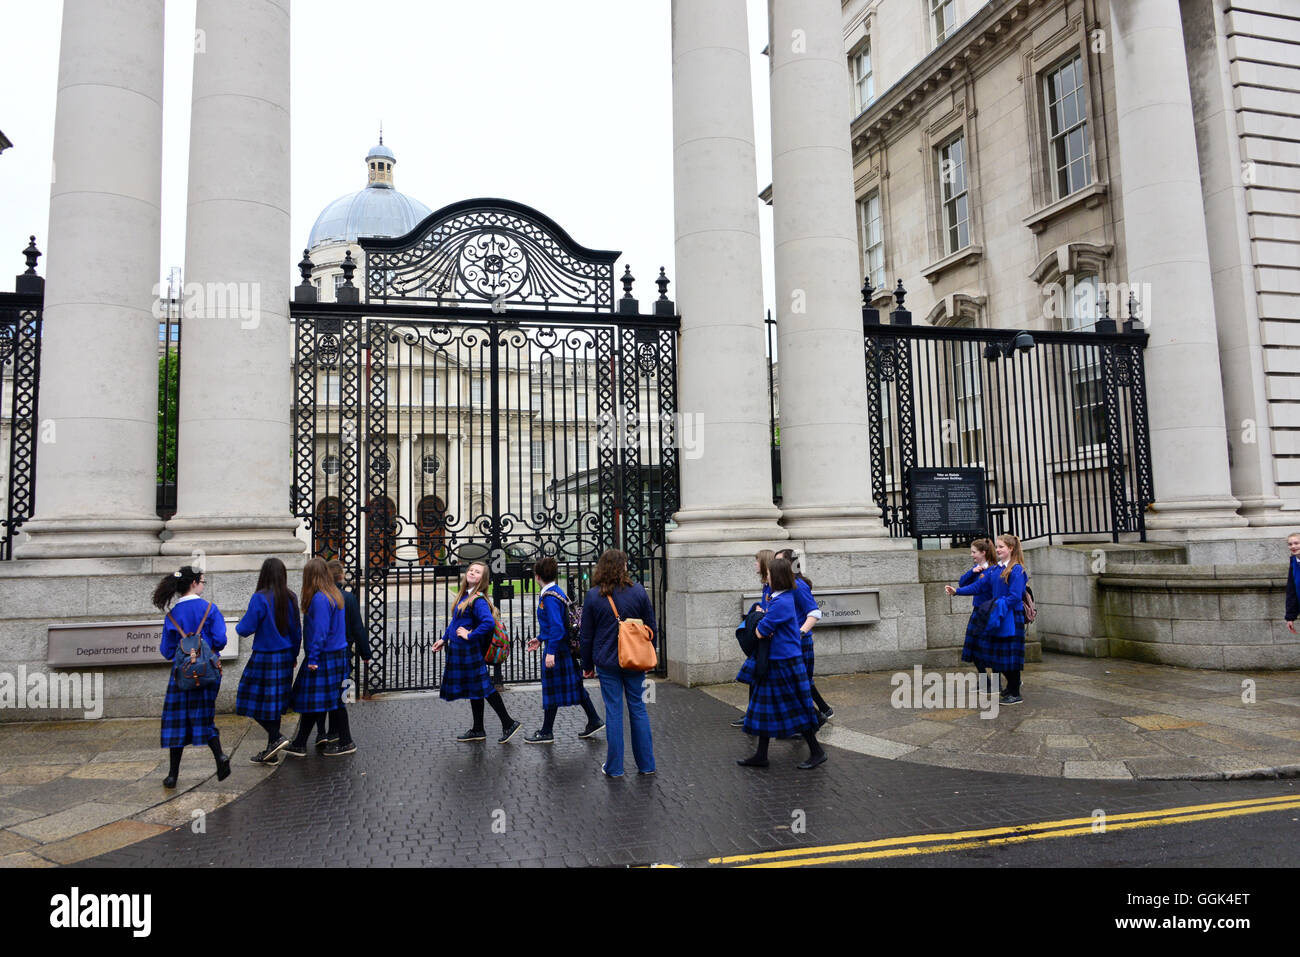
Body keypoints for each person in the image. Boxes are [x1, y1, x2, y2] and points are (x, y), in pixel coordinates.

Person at [737, 556, 827, 770]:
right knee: (764, 708)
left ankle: (817, 752)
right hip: (776, 660)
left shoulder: (782, 602)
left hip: (785, 662)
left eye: (768, 573)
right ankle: (761, 755)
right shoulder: (777, 599)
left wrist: (759, 621)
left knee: (797, 708)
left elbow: (760, 632)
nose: (764, 576)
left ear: (775, 577)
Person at [578, 549, 658, 778]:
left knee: (613, 712)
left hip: (607, 661)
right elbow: (651, 627)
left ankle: (615, 768)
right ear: (623, 567)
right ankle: (647, 765)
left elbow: (586, 635)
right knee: (638, 709)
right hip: (634, 659)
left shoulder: (594, 595)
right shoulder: (639, 592)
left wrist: (587, 664)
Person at [152, 565, 231, 788]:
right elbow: (221, 640)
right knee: (204, 717)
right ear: (194, 583)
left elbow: (167, 652)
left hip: (181, 676)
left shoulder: (172, 615)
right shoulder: (210, 609)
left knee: (176, 722)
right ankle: (220, 757)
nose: (204, 585)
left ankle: (172, 775)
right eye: (203, 581)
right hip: (207, 673)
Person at [431, 561, 521, 743]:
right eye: (471, 570)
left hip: (469, 651)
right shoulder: (464, 595)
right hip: (460, 651)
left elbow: (487, 623)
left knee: (484, 687)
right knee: (476, 689)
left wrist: (470, 634)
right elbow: (455, 622)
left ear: (483, 579)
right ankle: (478, 729)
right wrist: (444, 639)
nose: (472, 573)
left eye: (477, 572)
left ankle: (508, 723)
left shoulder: (478, 599)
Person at [524, 557, 604, 743]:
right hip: (561, 648)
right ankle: (593, 719)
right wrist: (540, 638)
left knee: (552, 690)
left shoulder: (549, 598)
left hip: (557, 650)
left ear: (537, 576)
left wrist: (550, 651)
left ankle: (546, 731)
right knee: (575, 685)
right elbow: (556, 625)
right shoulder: (557, 591)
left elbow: (558, 627)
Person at [283, 557, 355, 756]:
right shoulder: (333, 595)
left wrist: (313, 659)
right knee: (321, 701)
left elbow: (320, 632)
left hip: (324, 656)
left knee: (318, 700)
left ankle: (345, 742)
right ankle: (301, 742)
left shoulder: (320, 599)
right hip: (336, 655)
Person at [235, 557, 302, 764]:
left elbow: (246, 628)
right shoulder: (290, 597)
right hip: (285, 656)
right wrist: (293, 656)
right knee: (274, 703)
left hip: (265, 655)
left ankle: (276, 738)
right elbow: (296, 631)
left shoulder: (260, 598)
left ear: (264, 574)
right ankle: (272, 750)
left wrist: (237, 627)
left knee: (248, 699)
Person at [317, 560, 370, 750]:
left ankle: (322, 732)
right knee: (341, 693)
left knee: (322, 693)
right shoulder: (347, 597)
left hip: (324, 652)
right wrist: (365, 652)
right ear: (341, 576)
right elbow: (358, 627)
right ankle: (335, 731)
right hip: (344, 652)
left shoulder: (320, 596)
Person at [774, 548, 829, 721]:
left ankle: (816, 718)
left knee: (801, 682)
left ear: (791, 565)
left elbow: (814, 612)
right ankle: (822, 711)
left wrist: (799, 633)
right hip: (791, 641)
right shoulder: (785, 586)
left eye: (780, 561)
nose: (776, 566)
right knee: (801, 682)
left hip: (800, 641)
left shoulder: (799, 586)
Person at [975, 534, 1029, 706]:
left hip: (1011, 616)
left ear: (1011, 549)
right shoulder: (997, 569)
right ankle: (1012, 687)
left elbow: (1015, 597)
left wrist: (998, 604)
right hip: (1000, 614)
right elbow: (979, 586)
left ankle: (1015, 691)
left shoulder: (1017, 570)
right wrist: (957, 591)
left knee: (1011, 656)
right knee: (1001, 655)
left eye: (1001, 547)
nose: (997, 550)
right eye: (997, 547)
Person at [945, 538, 999, 694]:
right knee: (973, 648)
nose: (972, 555)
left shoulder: (992, 570)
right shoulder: (978, 568)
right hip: (978, 611)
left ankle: (996, 685)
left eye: (974, 552)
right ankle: (985, 681)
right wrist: (972, 571)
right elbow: (963, 582)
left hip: (989, 611)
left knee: (990, 648)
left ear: (983, 552)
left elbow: (977, 588)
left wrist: (956, 592)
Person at [732, 549, 775, 729]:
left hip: (769, 641)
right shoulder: (766, 586)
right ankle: (752, 714)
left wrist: (762, 614)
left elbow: (774, 612)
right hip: (763, 640)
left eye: (757, 561)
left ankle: (813, 718)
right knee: (755, 677)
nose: (755, 564)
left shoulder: (773, 587)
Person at [1285, 533, 1300, 634]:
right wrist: (1290, 617)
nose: (1293, 546)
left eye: (1296, 543)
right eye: (1290, 544)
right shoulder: (1294, 561)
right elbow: (1292, 590)